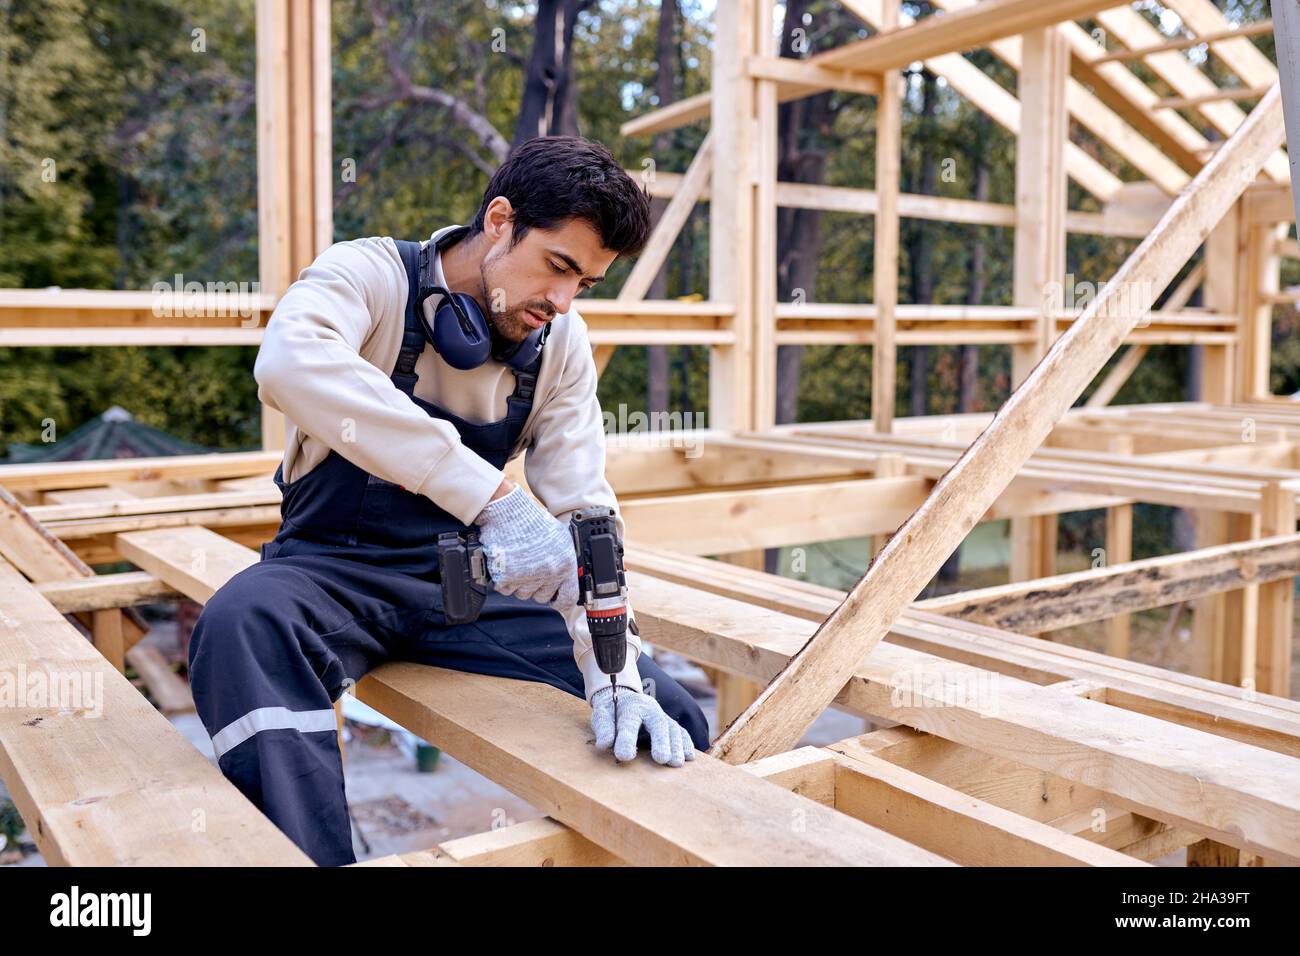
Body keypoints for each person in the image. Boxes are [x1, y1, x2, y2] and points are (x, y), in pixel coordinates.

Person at [188, 135, 711, 866]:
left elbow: (588, 515)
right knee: (242, 624)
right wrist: (491, 495)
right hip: (331, 574)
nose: (561, 303)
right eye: (559, 267)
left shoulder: (560, 346)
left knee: (667, 714)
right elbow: (286, 362)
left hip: (462, 591)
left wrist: (614, 671)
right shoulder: (368, 275)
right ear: (499, 219)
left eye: (585, 285)